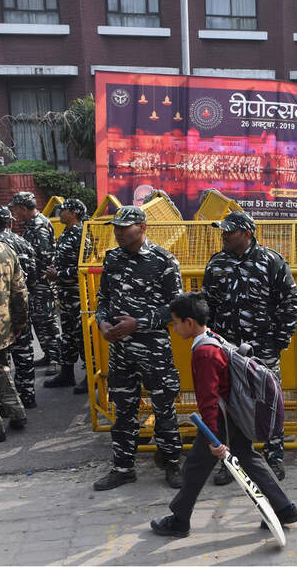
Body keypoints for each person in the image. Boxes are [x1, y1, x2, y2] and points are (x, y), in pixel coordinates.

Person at [150, 293, 297, 538]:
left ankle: (179, 520)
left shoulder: (204, 353)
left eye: (175, 322)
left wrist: (212, 438)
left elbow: (208, 399)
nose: (174, 328)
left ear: (189, 322)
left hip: (219, 421)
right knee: (249, 460)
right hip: (232, 414)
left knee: (195, 468)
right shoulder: (212, 337)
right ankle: (284, 509)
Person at [203, 211, 297, 483]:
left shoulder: (271, 262)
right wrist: (212, 341)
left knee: (269, 400)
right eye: (222, 231)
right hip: (227, 350)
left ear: (247, 234)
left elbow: (292, 304)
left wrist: (277, 341)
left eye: (229, 231)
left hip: (262, 349)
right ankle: (231, 462)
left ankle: (274, 459)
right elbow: (207, 305)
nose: (223, 235)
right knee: (228, 403)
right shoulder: (216, 264)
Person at [93, 206, 184, 491]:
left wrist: (139, 324)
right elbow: (103, 298)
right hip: (121, 350)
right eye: (116, 227)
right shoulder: (113, 259)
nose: (118, 232)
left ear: (142, 227)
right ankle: (123, 468)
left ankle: (172, 464)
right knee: (123, 410)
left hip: (154, 350)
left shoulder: (163, 261)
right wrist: (103, 323)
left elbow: (176, 308)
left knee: (164, 408)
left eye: (125, 227)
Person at [43, 199, 93, 393]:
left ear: (72, 212)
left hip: (78, 295)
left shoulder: (81, 234)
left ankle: (90, 377)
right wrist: (54, 272)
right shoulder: (67, 233)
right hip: (66, 296)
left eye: (61, 210)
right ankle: (67, 373)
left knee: (83, 337)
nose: (59, 213)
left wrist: (59, 274)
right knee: (69, 336)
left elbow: (84, 267)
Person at [8, 191, 62, 372]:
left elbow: (44, 256)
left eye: (16, 210)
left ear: (24, 208)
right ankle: (49, 354)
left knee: (47, 320)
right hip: (35, 281)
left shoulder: (38, 226)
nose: (15, 214)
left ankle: (56, 359)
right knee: (39, 320)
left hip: (41, 281)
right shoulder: (31, 224)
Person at [0, 205, 39, 408]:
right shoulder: (21, 242)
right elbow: (34, 277)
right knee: (24, 353)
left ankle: (6, 403)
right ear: (10, 222)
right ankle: (27, 396)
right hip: (20, 305)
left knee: (1, 361)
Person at [0, 239, 29, 442]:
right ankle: (17, 414)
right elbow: (20, 291)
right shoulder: (4, 248)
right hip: (0, 324)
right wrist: (19, 322)